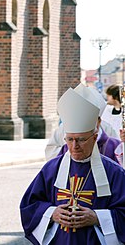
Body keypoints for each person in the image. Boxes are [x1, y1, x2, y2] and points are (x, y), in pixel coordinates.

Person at [20, 87, 125, 244]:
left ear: (95, 137)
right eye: (70, 139)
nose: (74, 146)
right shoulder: (51, 169)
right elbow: (30, 206)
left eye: (81, 139)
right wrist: (52, 213)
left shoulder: (114, 172)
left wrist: (97, 217)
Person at [45, 83, 121, 165]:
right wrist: (68, 151)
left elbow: (119, 156)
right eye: (70, 139)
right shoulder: (64, 128)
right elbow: (51, 150)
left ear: (98, 121)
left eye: (82, 139)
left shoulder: (108, 131)